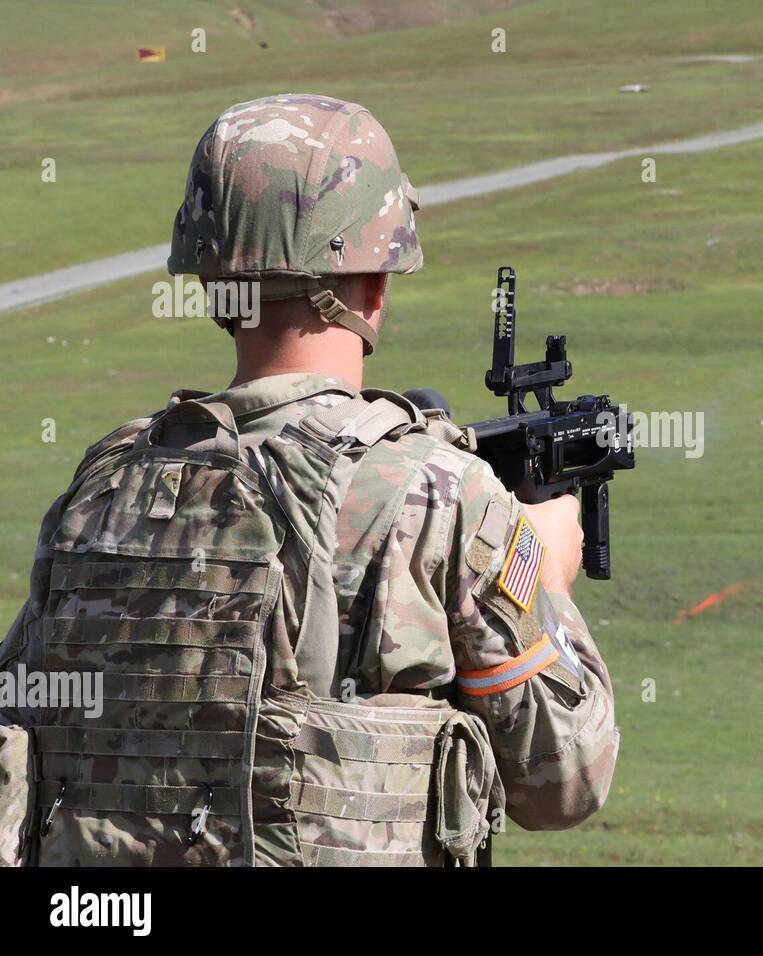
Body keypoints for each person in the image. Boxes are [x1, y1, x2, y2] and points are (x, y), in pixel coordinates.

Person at [0, 94, 618, 867]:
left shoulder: (105, 485)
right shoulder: (439, 497)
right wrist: (545, 575)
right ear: (377, 281)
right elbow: (564, 782)